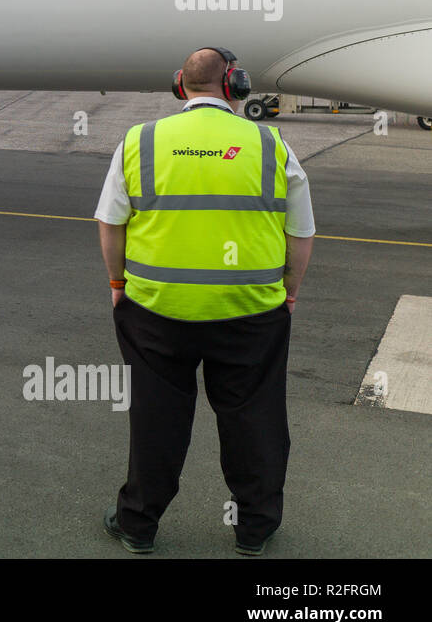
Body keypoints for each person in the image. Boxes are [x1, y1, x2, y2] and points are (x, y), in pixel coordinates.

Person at [94, 47, 315, 557]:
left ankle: (138, 526)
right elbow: (300, 233)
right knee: (254, 418)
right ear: (235, 85)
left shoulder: (141, 140)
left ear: (181, 86)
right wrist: (290, 292)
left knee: (156, 418)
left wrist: (117, 286)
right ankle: (254, 530)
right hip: (251, 314)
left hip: (155, 311)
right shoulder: (271, 144)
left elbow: (110, 224)